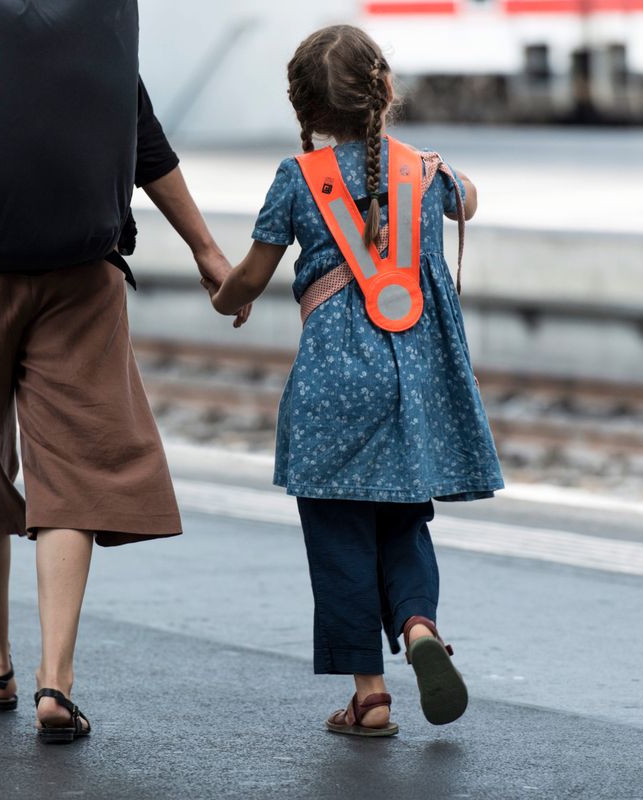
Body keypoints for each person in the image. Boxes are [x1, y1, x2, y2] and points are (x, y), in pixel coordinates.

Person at [0, 0, 246, 743]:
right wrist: (206, 250)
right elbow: (138, 129)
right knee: (76, 465)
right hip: (83, 266)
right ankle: (55, 681)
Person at [209, 25, 503, 736]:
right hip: (412, 383)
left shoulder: (297, 178)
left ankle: (370, 697)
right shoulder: (423, 172)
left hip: (332, 386)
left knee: (338, 531)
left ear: (305, 110)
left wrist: (226, 296)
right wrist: (437, 175)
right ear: (385, 92)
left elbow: (251, 274)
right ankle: (419, 625)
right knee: (403, 520)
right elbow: (470, 199)